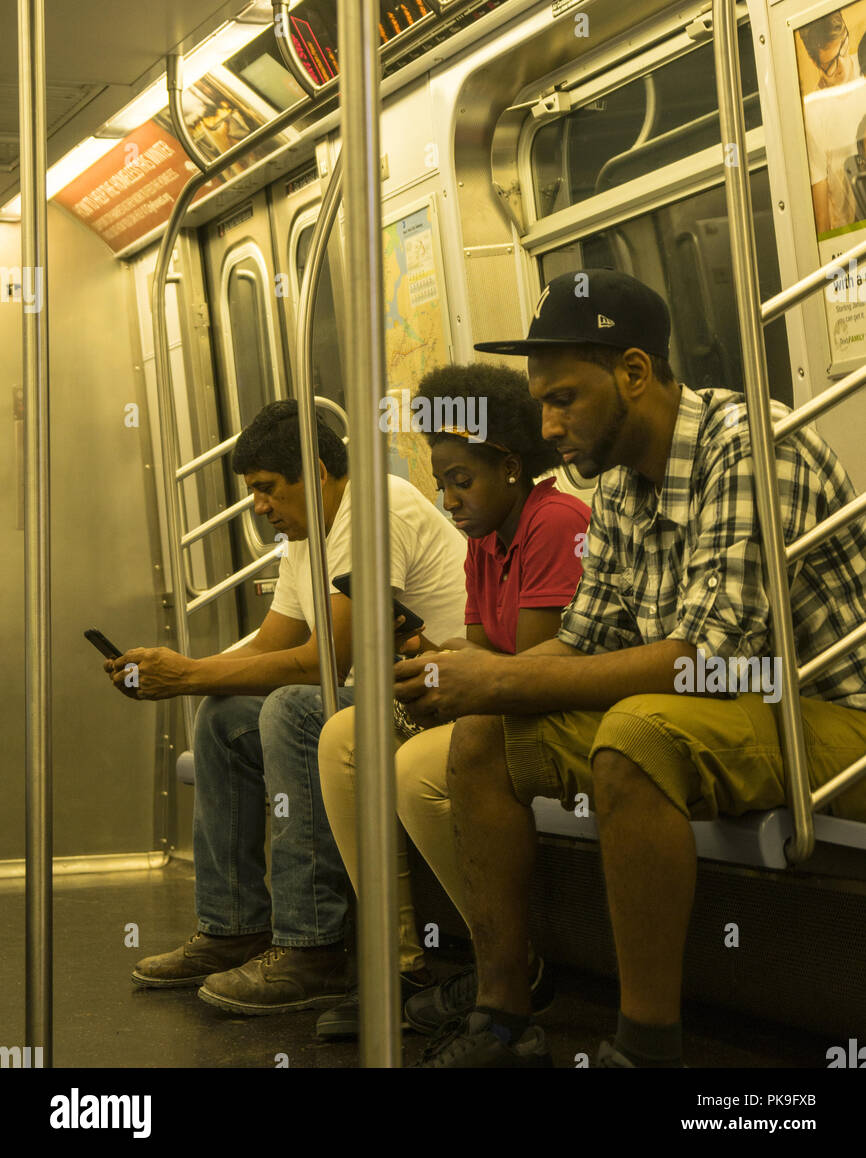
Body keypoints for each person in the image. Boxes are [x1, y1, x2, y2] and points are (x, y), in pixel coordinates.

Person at [387, 268, 866, 1068]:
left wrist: (500, 677)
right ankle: (503, 1011)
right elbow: (582, 637)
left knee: (637, 736)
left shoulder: (749, 448)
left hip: (831, 715)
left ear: (634, 374)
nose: (546, 423)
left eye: (563, 398)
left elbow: (703, 664)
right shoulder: (618, 487)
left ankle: (647, 1045)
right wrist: (469, 681)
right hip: (732, 710)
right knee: (482, 738)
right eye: (540, 401)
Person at [105, 400, 467, 1013]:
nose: (260, 507)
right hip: (380, 698)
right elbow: (274, 643)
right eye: (253, 493)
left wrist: (187, 673)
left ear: (317, 472)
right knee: (222, 718)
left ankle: (315, 948)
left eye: (268, 489)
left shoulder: (375, 510)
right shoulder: (306, 534)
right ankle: (233, 928)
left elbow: (325, 664)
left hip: (440, 699)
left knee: (295, 709)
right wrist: (182, 673)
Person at [317, 362, 591, 1039]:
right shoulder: (484, 537)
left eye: (461, 481)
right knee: (343, 738)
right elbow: (477, 649)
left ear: (509, 465)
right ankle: (403, 959)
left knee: (415, 770)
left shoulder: (555, 523)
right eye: (442, 483)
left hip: (548, 705)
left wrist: (455, 666)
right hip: (498, 694)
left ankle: (506, 960)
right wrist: (429, 656)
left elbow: (529, 670)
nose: (449, 499)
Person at [799, 11, 866, 235]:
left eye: (844, 50)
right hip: (850, 234)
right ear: (813, 61)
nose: (843, 66)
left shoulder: (865, 69)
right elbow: (821, 214)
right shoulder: (813, 111)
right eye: (830, 63)